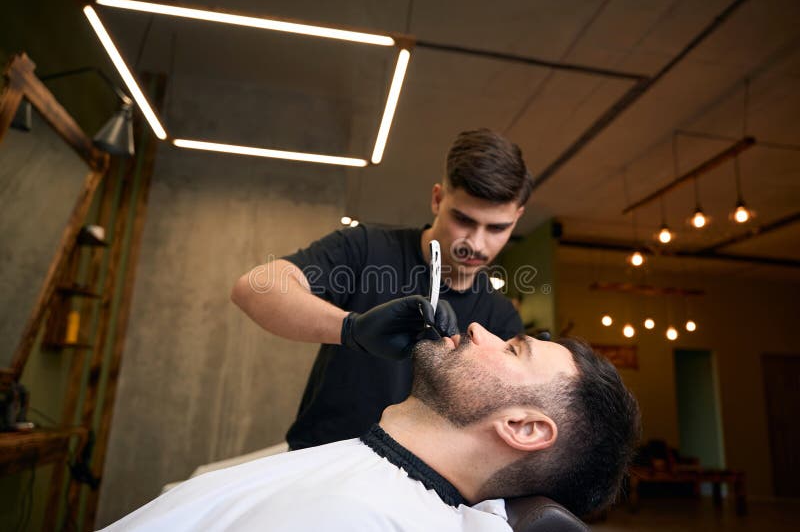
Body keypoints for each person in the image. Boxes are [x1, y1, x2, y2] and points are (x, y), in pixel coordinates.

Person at [102, 325, 640, 531]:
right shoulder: (369, 484)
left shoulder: (356, 517)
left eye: (513, 350)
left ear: (522, 427)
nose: (479, 329)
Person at [232, 129, 534, 449]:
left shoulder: (501, 318)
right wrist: (352, 329)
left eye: (497, 228)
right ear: (437, 199)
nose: (475, 244)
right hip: (322, 458)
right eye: (463, 220)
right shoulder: (367, 248)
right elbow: (253, 288)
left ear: (517, 218)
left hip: (421, 476)